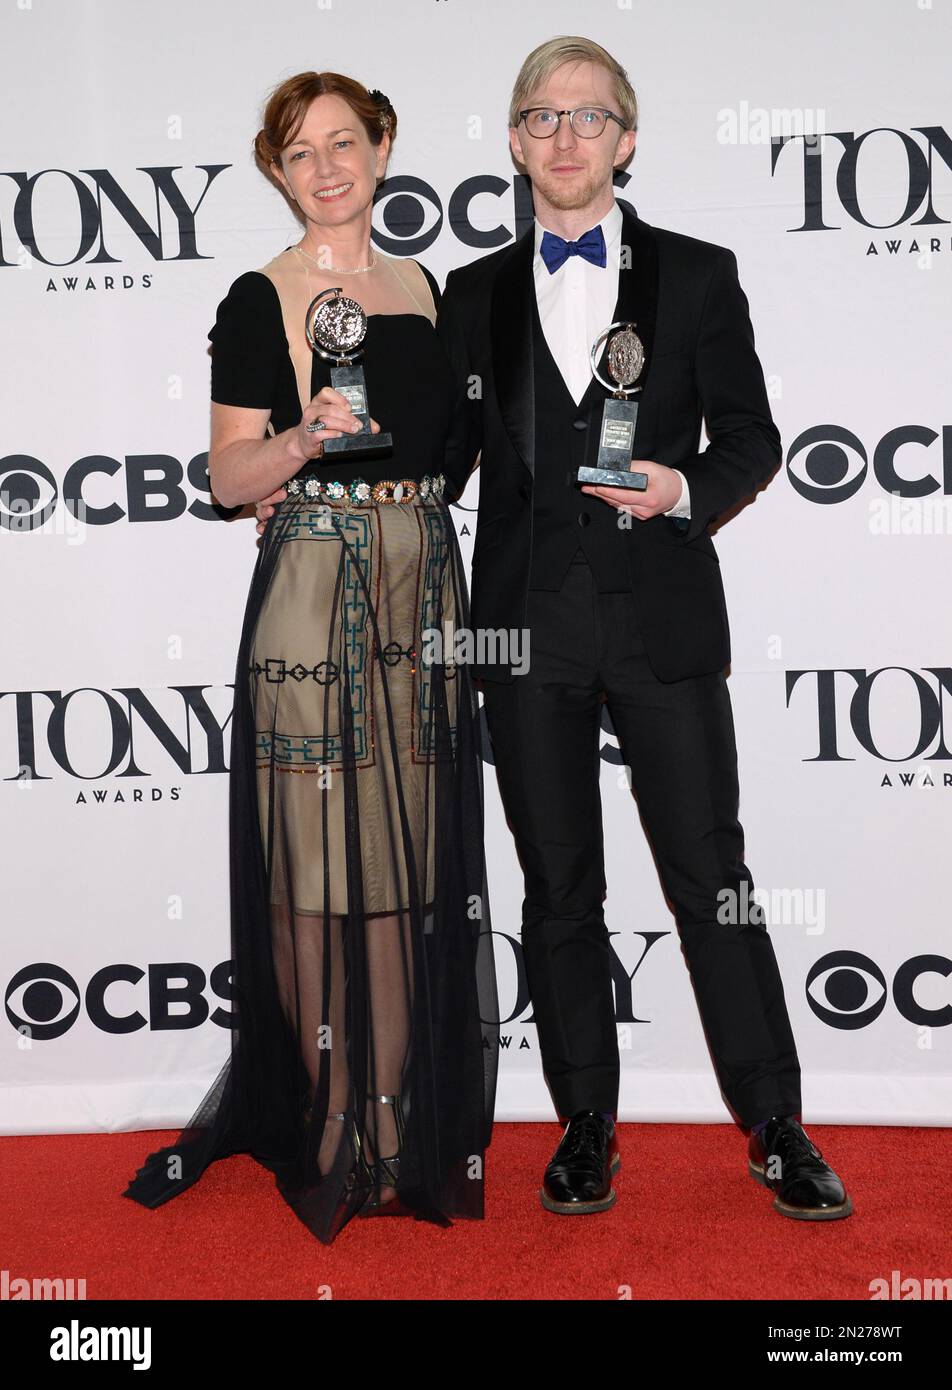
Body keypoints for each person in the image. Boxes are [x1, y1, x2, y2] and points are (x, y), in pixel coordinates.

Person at [122, 71, 498, 1245]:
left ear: (384, 148)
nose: (327, 166)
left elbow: (455, 449)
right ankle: (332, 1116)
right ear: (275, 171)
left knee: (405, 862)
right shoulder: (261, 297)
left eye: (345, 142)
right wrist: (297, 443)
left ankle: (396, 1115)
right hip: (311, 589)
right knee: (312, 868)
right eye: (299, 151)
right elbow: (226, 477)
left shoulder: (425, 287)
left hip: (423, 582)